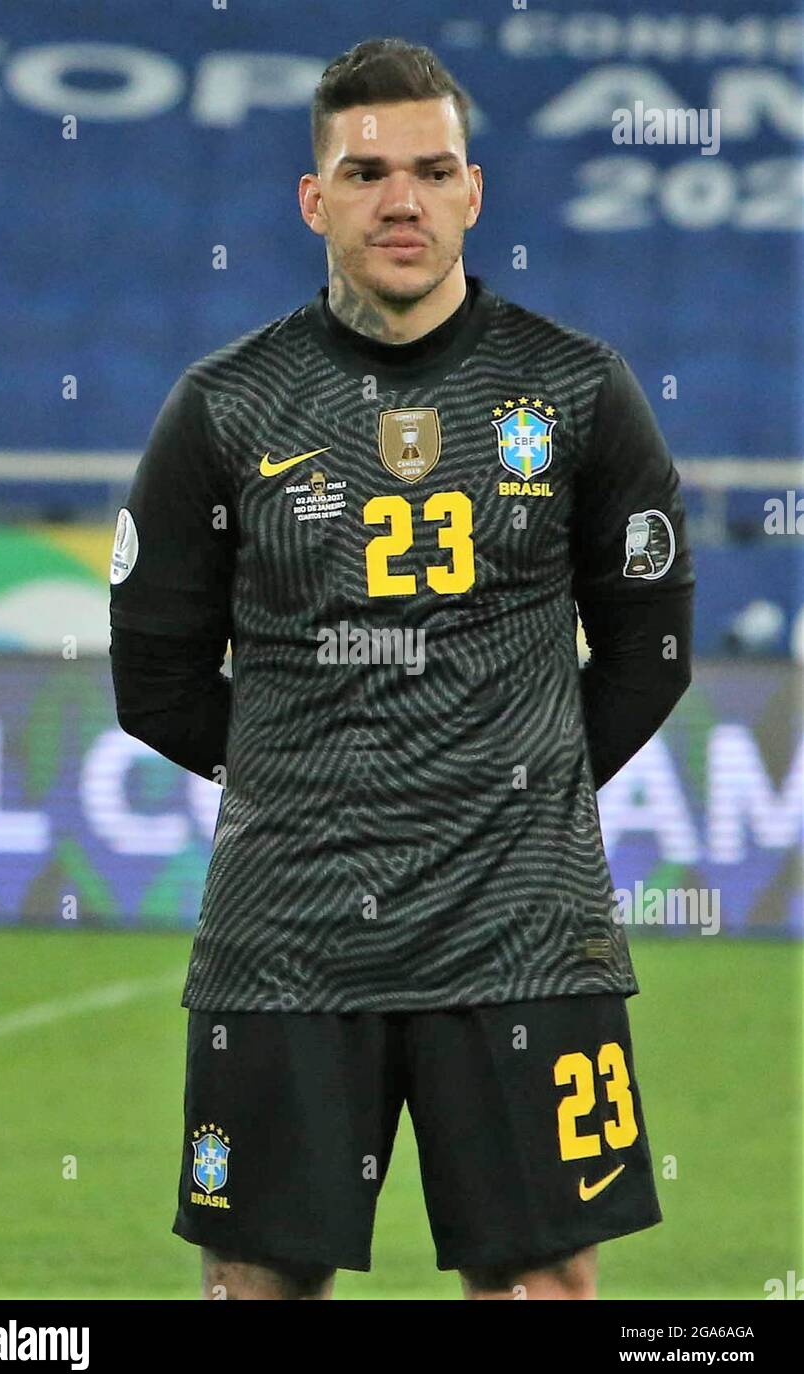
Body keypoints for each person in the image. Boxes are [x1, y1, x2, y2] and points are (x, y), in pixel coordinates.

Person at [109, 37, 694, 1301]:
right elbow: (152, 676)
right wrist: (307, 776)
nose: (401, 200)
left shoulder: (574, 391)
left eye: (431, 171)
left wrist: (513, 787)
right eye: (366, 172)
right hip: (288, 936)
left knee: (541, 1283)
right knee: (257, 1283)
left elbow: (647, 650)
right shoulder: (224, 408)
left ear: (472, 193)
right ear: (314, 200)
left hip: (522, 932)